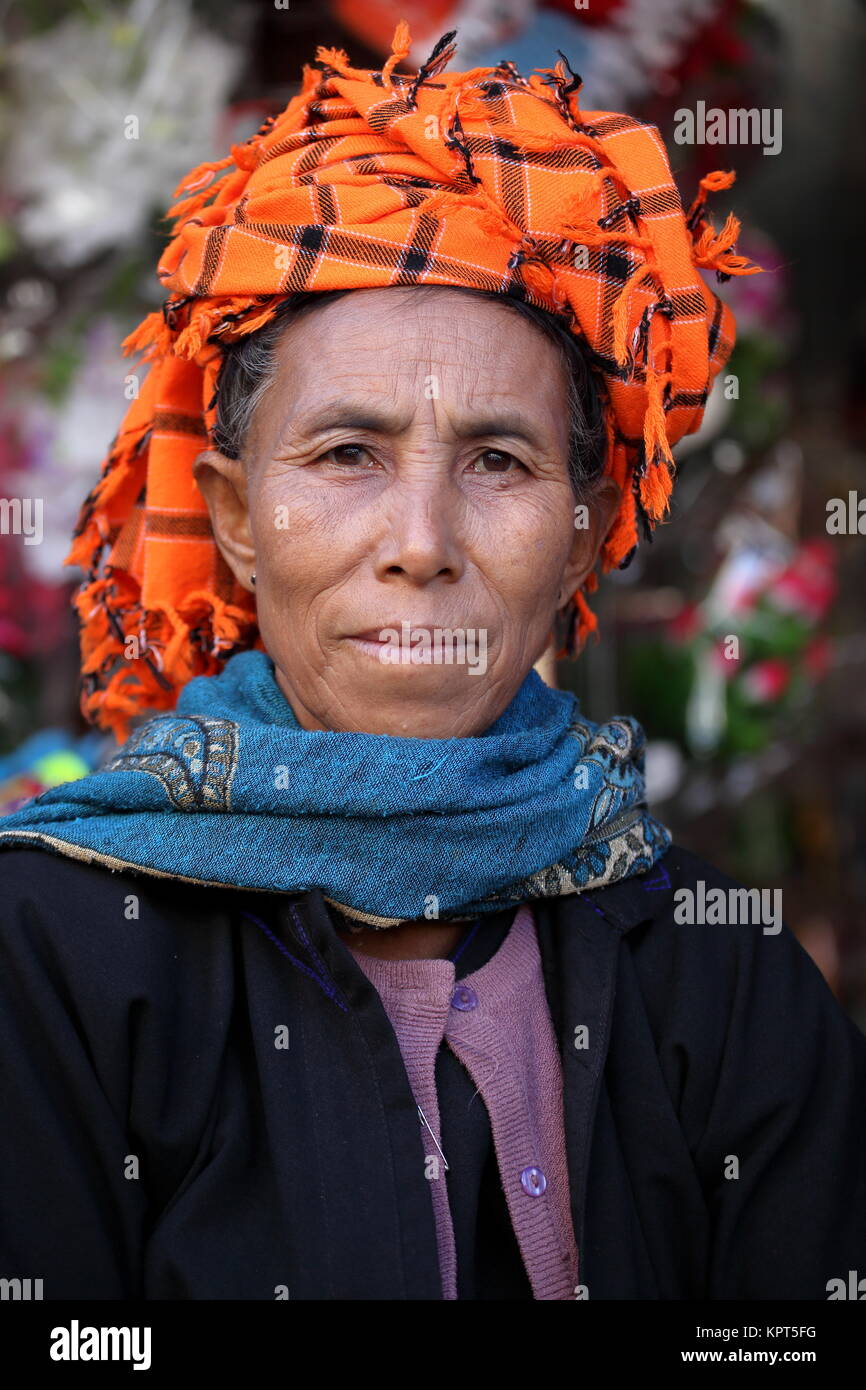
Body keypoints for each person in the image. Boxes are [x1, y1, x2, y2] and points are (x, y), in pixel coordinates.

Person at [0, 23, 864, 1301]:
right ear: (234, 518)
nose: (420, 544)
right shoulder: (51, 956)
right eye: (346, 454)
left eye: (499, 463)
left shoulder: (716, 973)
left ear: (581, 543)